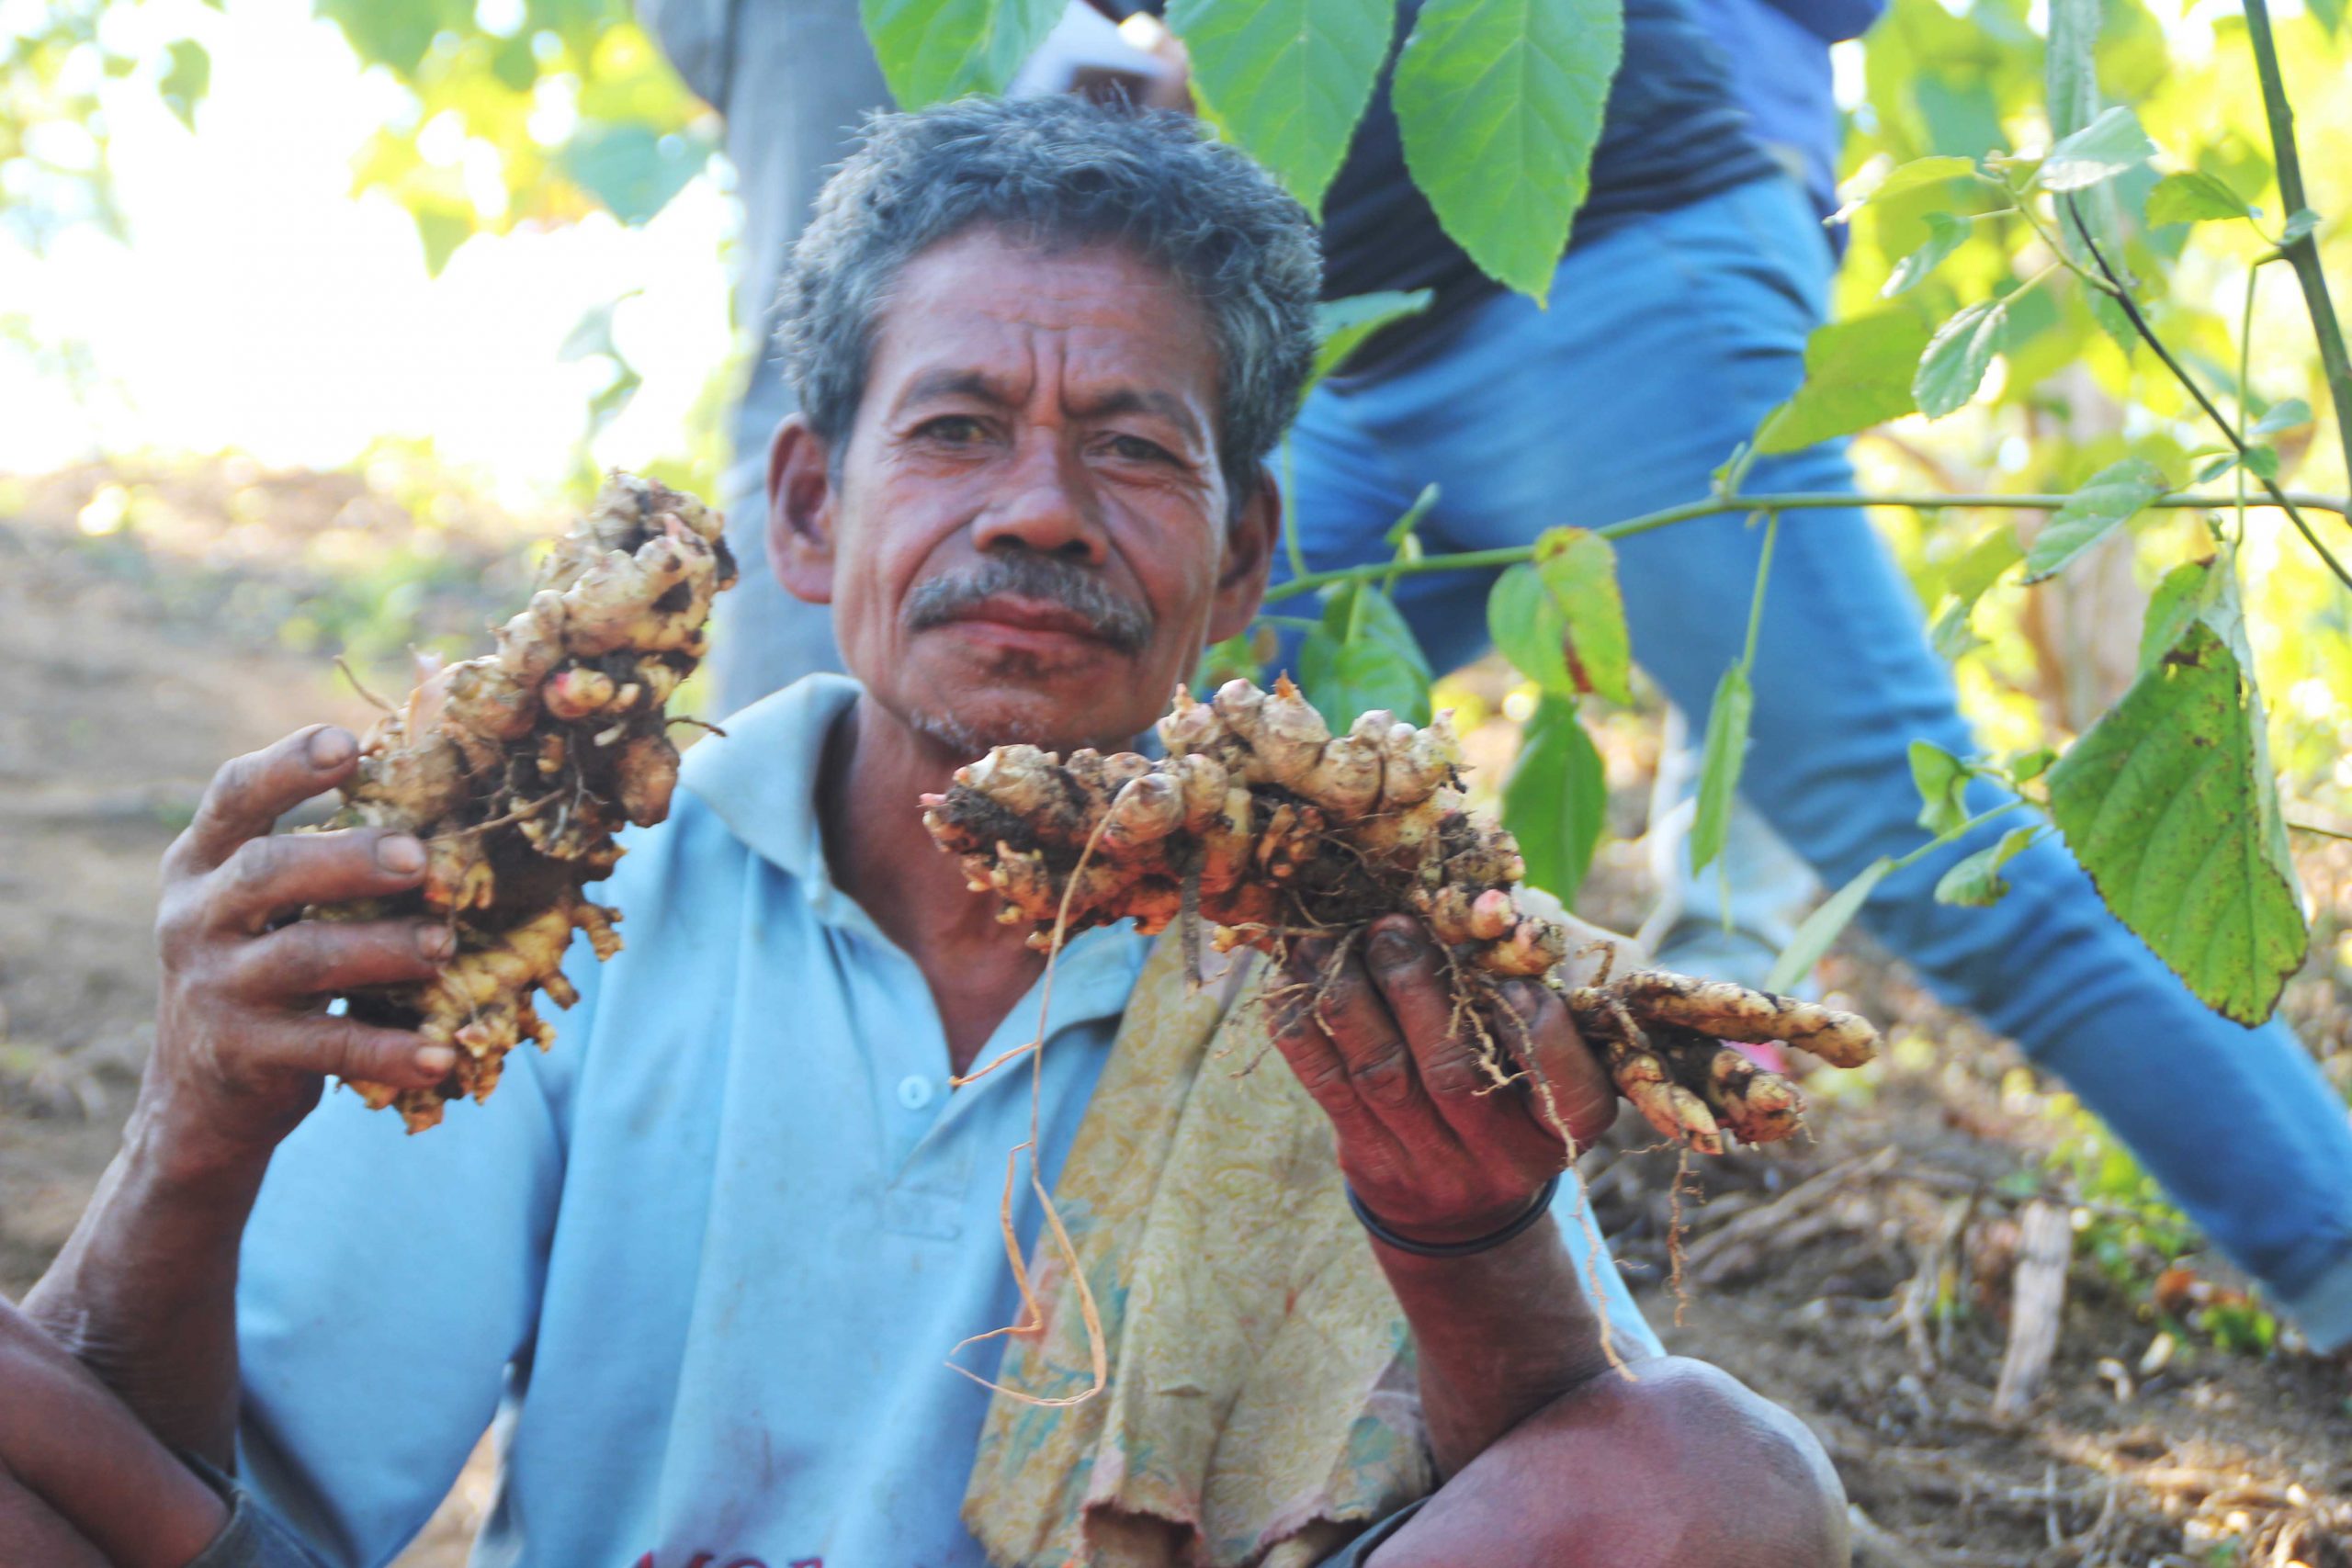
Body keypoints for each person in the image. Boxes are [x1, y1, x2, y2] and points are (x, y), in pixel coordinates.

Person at [13, 98, 1847, 1567]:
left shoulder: (1344, 943)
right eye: (958, 427)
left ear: (1242, 559)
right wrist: (197, 1132)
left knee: (1708, 1472)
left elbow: (1572, 1478)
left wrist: (1470, 1233)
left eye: (1131, 449)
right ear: (808, 508)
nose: (1038, 511)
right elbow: (234, 1487)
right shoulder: (580, 895)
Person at [646, 0, 2352, 1352]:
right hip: (1378, 335)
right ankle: (986, 1307)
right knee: (1132, 795)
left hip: (1622, 274)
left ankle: (2334, 1245)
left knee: (1901, 825)